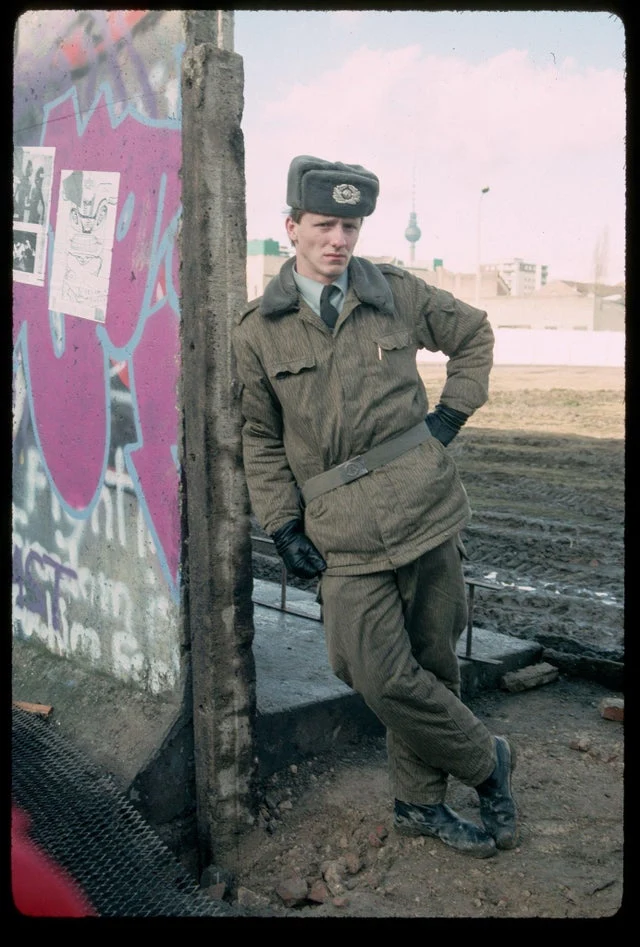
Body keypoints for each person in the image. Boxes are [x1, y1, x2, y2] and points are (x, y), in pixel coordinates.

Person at [232, 154, 519, 858]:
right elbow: (260, 437)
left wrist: (450, 417)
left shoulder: (395, 292)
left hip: (425, 508)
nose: (338, 239)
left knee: (432, 660)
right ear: (291, 226)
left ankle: (419, 803)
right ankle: (487, 760)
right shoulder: (257, 332)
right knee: (371, 668)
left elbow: (474, 333)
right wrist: (282, 521)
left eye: (350, 226)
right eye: (324, 224)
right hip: (342, 528)